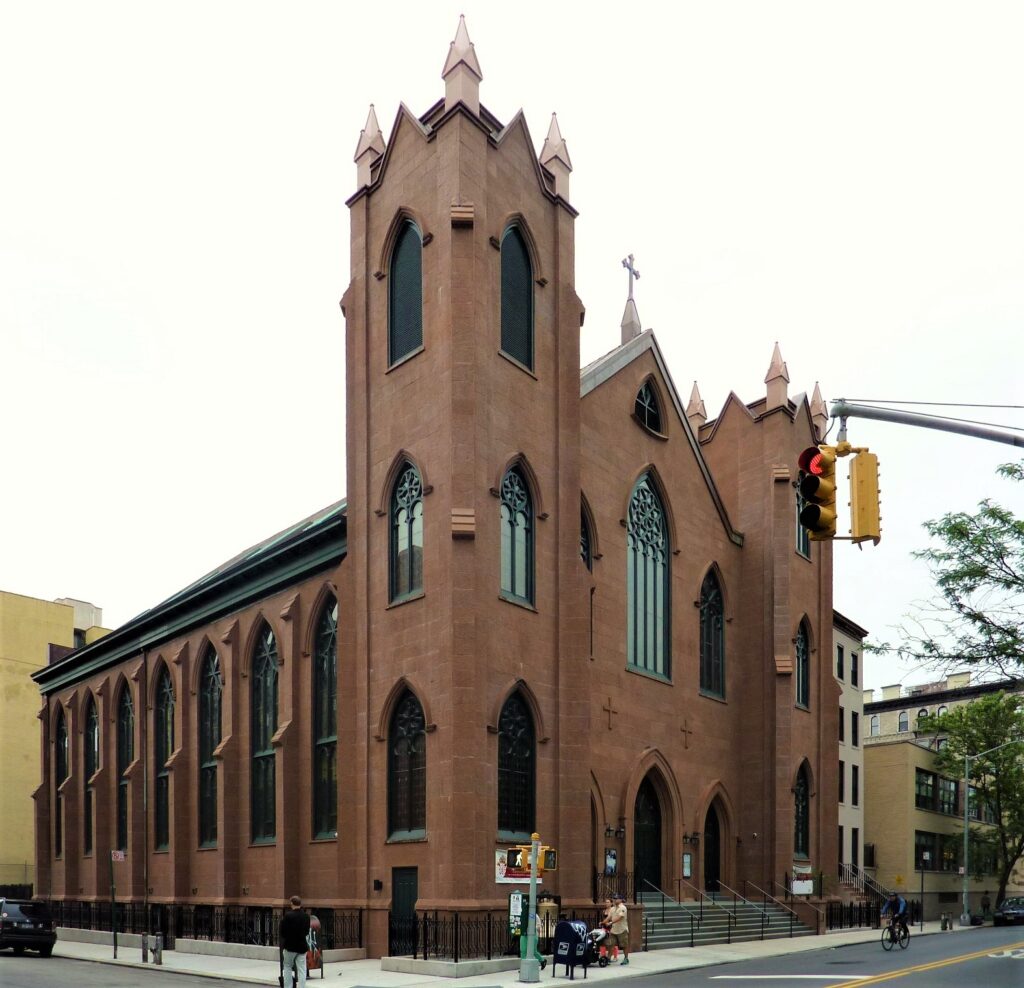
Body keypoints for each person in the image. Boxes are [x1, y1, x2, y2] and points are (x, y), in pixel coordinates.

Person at [280, 895, 311, 988]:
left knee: (287, 967)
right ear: (300, 904)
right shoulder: (306, 916)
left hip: (290, 946)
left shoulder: (288, 916)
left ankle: (288, 986)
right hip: (302, 946)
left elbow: (283, 932)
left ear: (292, 904)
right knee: (302, 969)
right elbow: (306, 932)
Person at [607, 893, 629, 965]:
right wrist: (603, 922)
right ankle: (608, 959)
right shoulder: (613, 908)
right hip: (614, 930)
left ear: (620, 900)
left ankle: (626, 959)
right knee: (611, 945)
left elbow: (619, 918)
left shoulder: (623, 908)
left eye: (616, 899)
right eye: (613, 898)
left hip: (622, 930)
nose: (614, 900)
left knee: (624, 945)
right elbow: (609, 917)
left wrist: (610, 923)